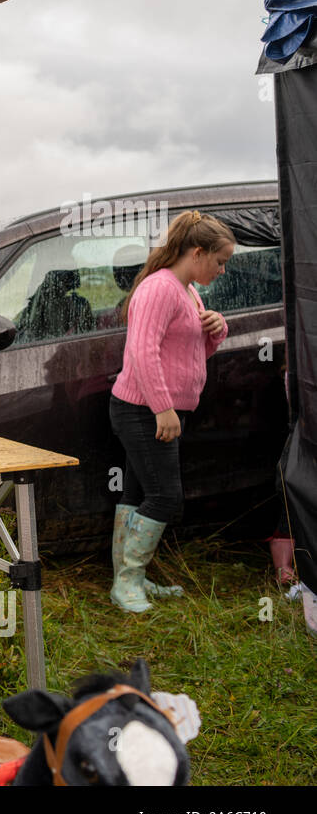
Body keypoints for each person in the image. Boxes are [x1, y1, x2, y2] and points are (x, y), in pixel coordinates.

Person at [109, 210, 235, 612]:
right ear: (197, 252)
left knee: (136, 491)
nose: (222, 269)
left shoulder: (188, 290)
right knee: (164, 496)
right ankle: (127, 583)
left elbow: (188, 351)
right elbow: (141, 352)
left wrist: (217, 330)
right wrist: (164, 410)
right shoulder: (160, 288)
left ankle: (129, 578)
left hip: (155, 409)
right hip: (142, 409)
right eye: (220, 261)